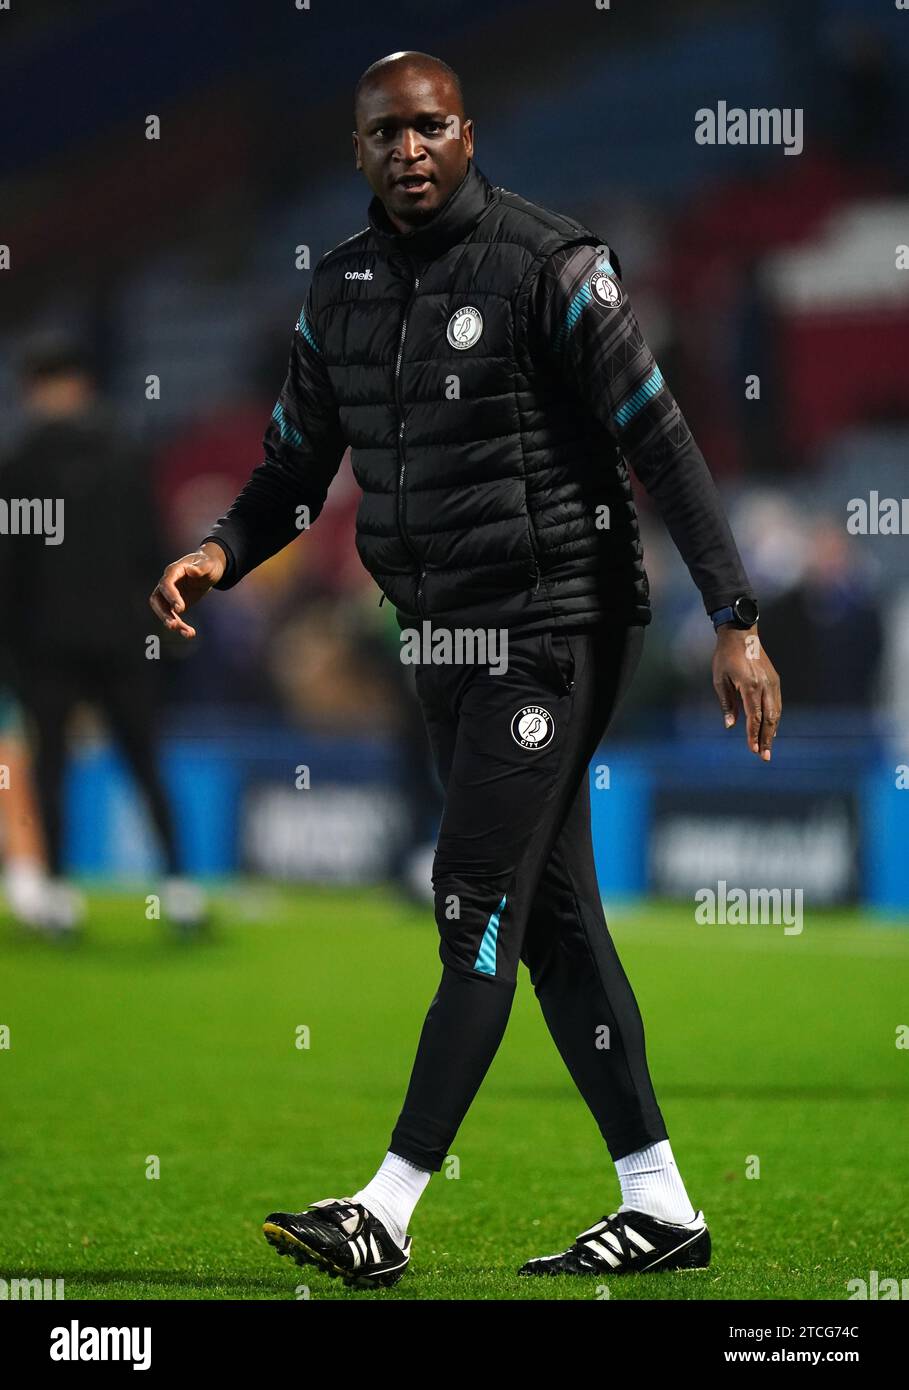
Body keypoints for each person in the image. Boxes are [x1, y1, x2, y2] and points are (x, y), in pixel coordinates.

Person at [150, 51, 782, 1288]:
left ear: (468, 131)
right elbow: (292, 475)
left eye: (432, 127)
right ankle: (660, 1203)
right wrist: (221, 553)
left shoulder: (552, 263)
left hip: (560, 623)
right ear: (360, 152)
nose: (411, 150)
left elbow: (662, 439)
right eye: (387, 134)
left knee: (473, 894)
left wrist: (737, 616)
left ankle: (384, 1208)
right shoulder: (337, 290)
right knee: (553, 924)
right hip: (438, 639)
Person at [0, 332, 205, 930]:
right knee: (145, 761)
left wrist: (12, 653)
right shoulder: (127, 457)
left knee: (51, 769)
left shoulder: (20, 466)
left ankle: (57, 895)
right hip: (124, 640)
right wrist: (163, 635)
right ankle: (180, 889)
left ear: (34, 392)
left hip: (48, 647)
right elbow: (157, 554)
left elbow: (10, 570)